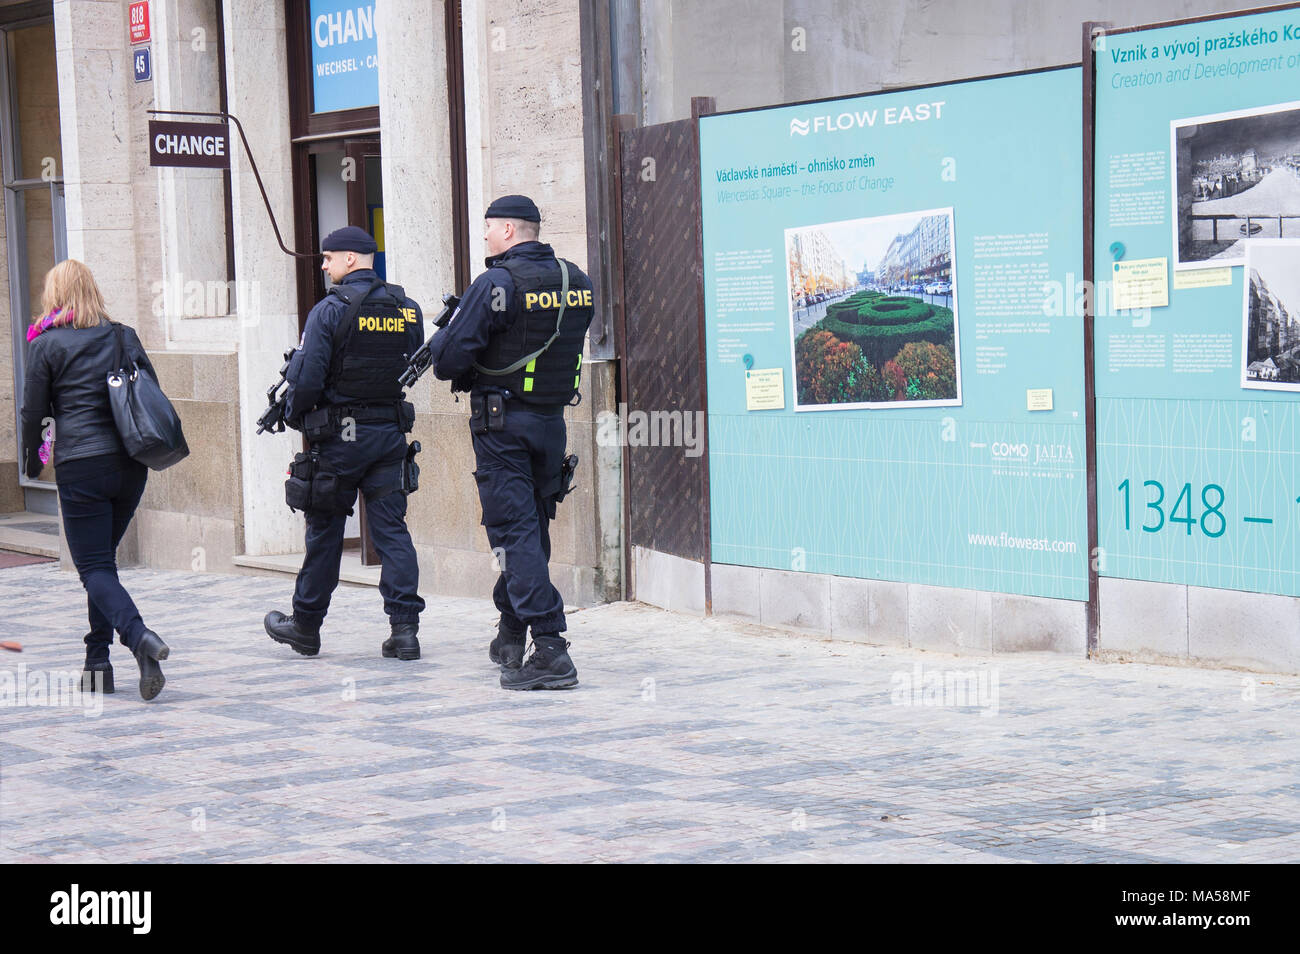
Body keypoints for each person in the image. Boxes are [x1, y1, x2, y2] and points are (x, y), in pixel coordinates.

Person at [427, 195, 593, 690]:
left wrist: (445, 341)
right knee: (530, 532)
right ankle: (509, 633)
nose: (484, 238)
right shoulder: (575, 279)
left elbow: (449, 361)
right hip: (550, 423)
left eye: (487, 229)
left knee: (513, 534)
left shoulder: (495, 283)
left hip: (503, 427)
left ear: (506, 230)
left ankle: (550, 647)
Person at [264, 226, 427, 660]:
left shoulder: (329, 310)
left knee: (325, 534)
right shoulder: (407, 310)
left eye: (328, 258)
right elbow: (411, 365)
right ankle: (405, 630)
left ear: (350, 259)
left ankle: (306, 626)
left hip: (338, 439)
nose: (323, 265)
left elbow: (307, 378)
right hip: (389, 434)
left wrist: (298, 417)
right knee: (392, 532)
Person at [20, 259, 170, 701]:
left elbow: (33, 410)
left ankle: (139, 635)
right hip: (129, 464)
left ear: (55, 296)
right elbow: (150, 390)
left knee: (94, 568)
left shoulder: (46, 345)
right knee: (102, 564)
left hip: (83, 467)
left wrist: (31, 459)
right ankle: (97, 663)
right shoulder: (122, 335)